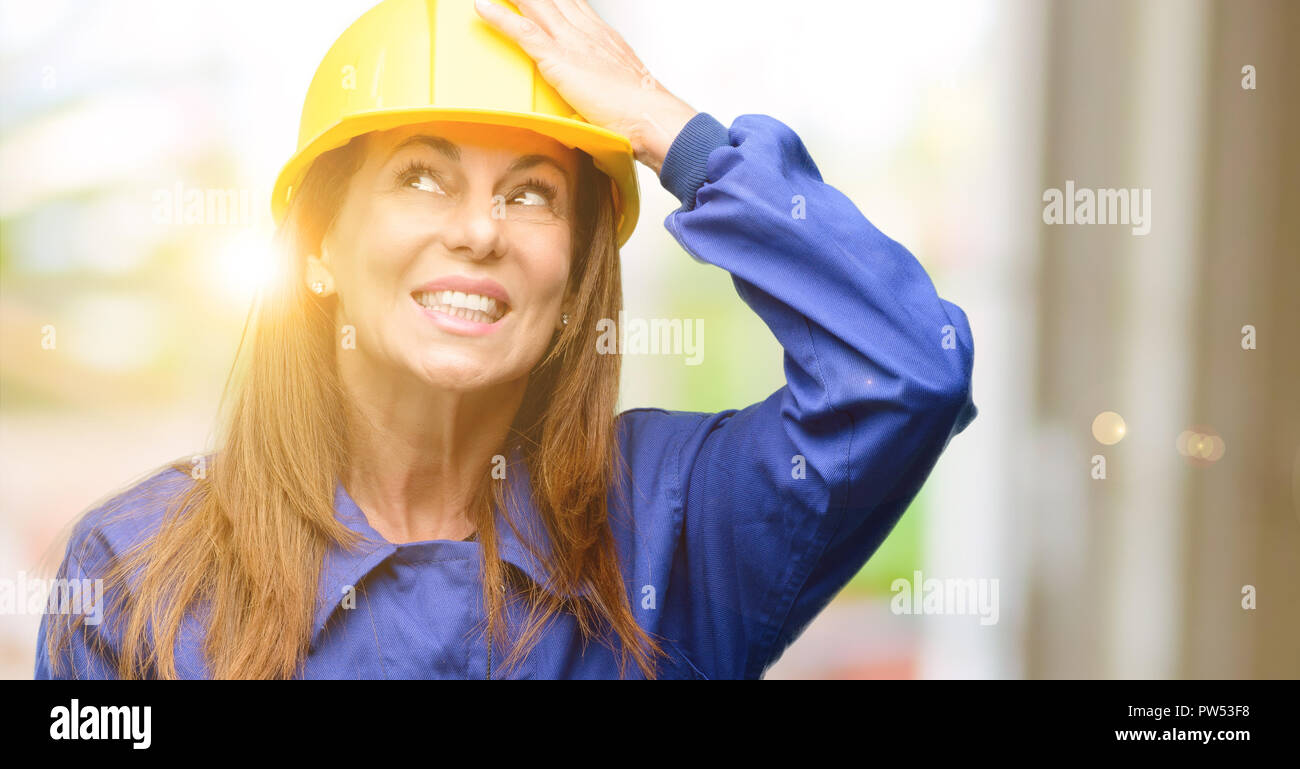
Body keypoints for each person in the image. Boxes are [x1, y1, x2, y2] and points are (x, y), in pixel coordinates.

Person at [36, 0, 976, 680]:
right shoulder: (138, 572)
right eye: (422, 177)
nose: (480, 231)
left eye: (531, 192)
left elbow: (904, 365)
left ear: (573, 278)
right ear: (320, 247)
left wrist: (667, 128)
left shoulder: (672, 528)